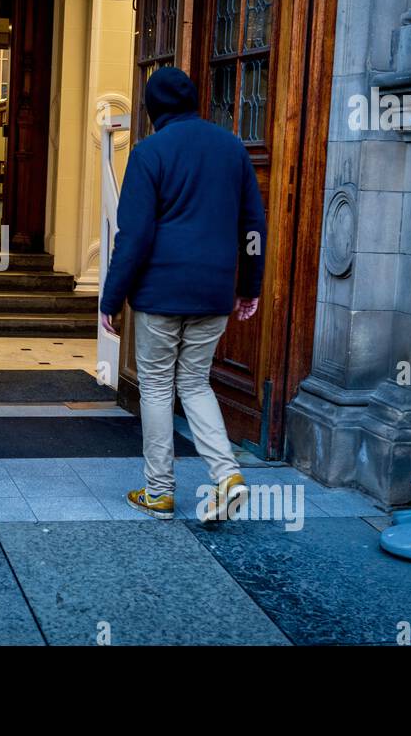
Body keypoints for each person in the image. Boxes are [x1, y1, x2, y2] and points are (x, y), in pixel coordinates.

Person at [99, 66, 266, 522]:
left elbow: (132, 235)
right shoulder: (232, 147)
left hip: (160, 292)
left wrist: (111, 298)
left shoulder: (149, 152)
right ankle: (227, 474)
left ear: (153, 109)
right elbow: (253, 226)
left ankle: (159, 492)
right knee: (194, 382)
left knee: (156, 386)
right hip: (213, 291)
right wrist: (249, 286)